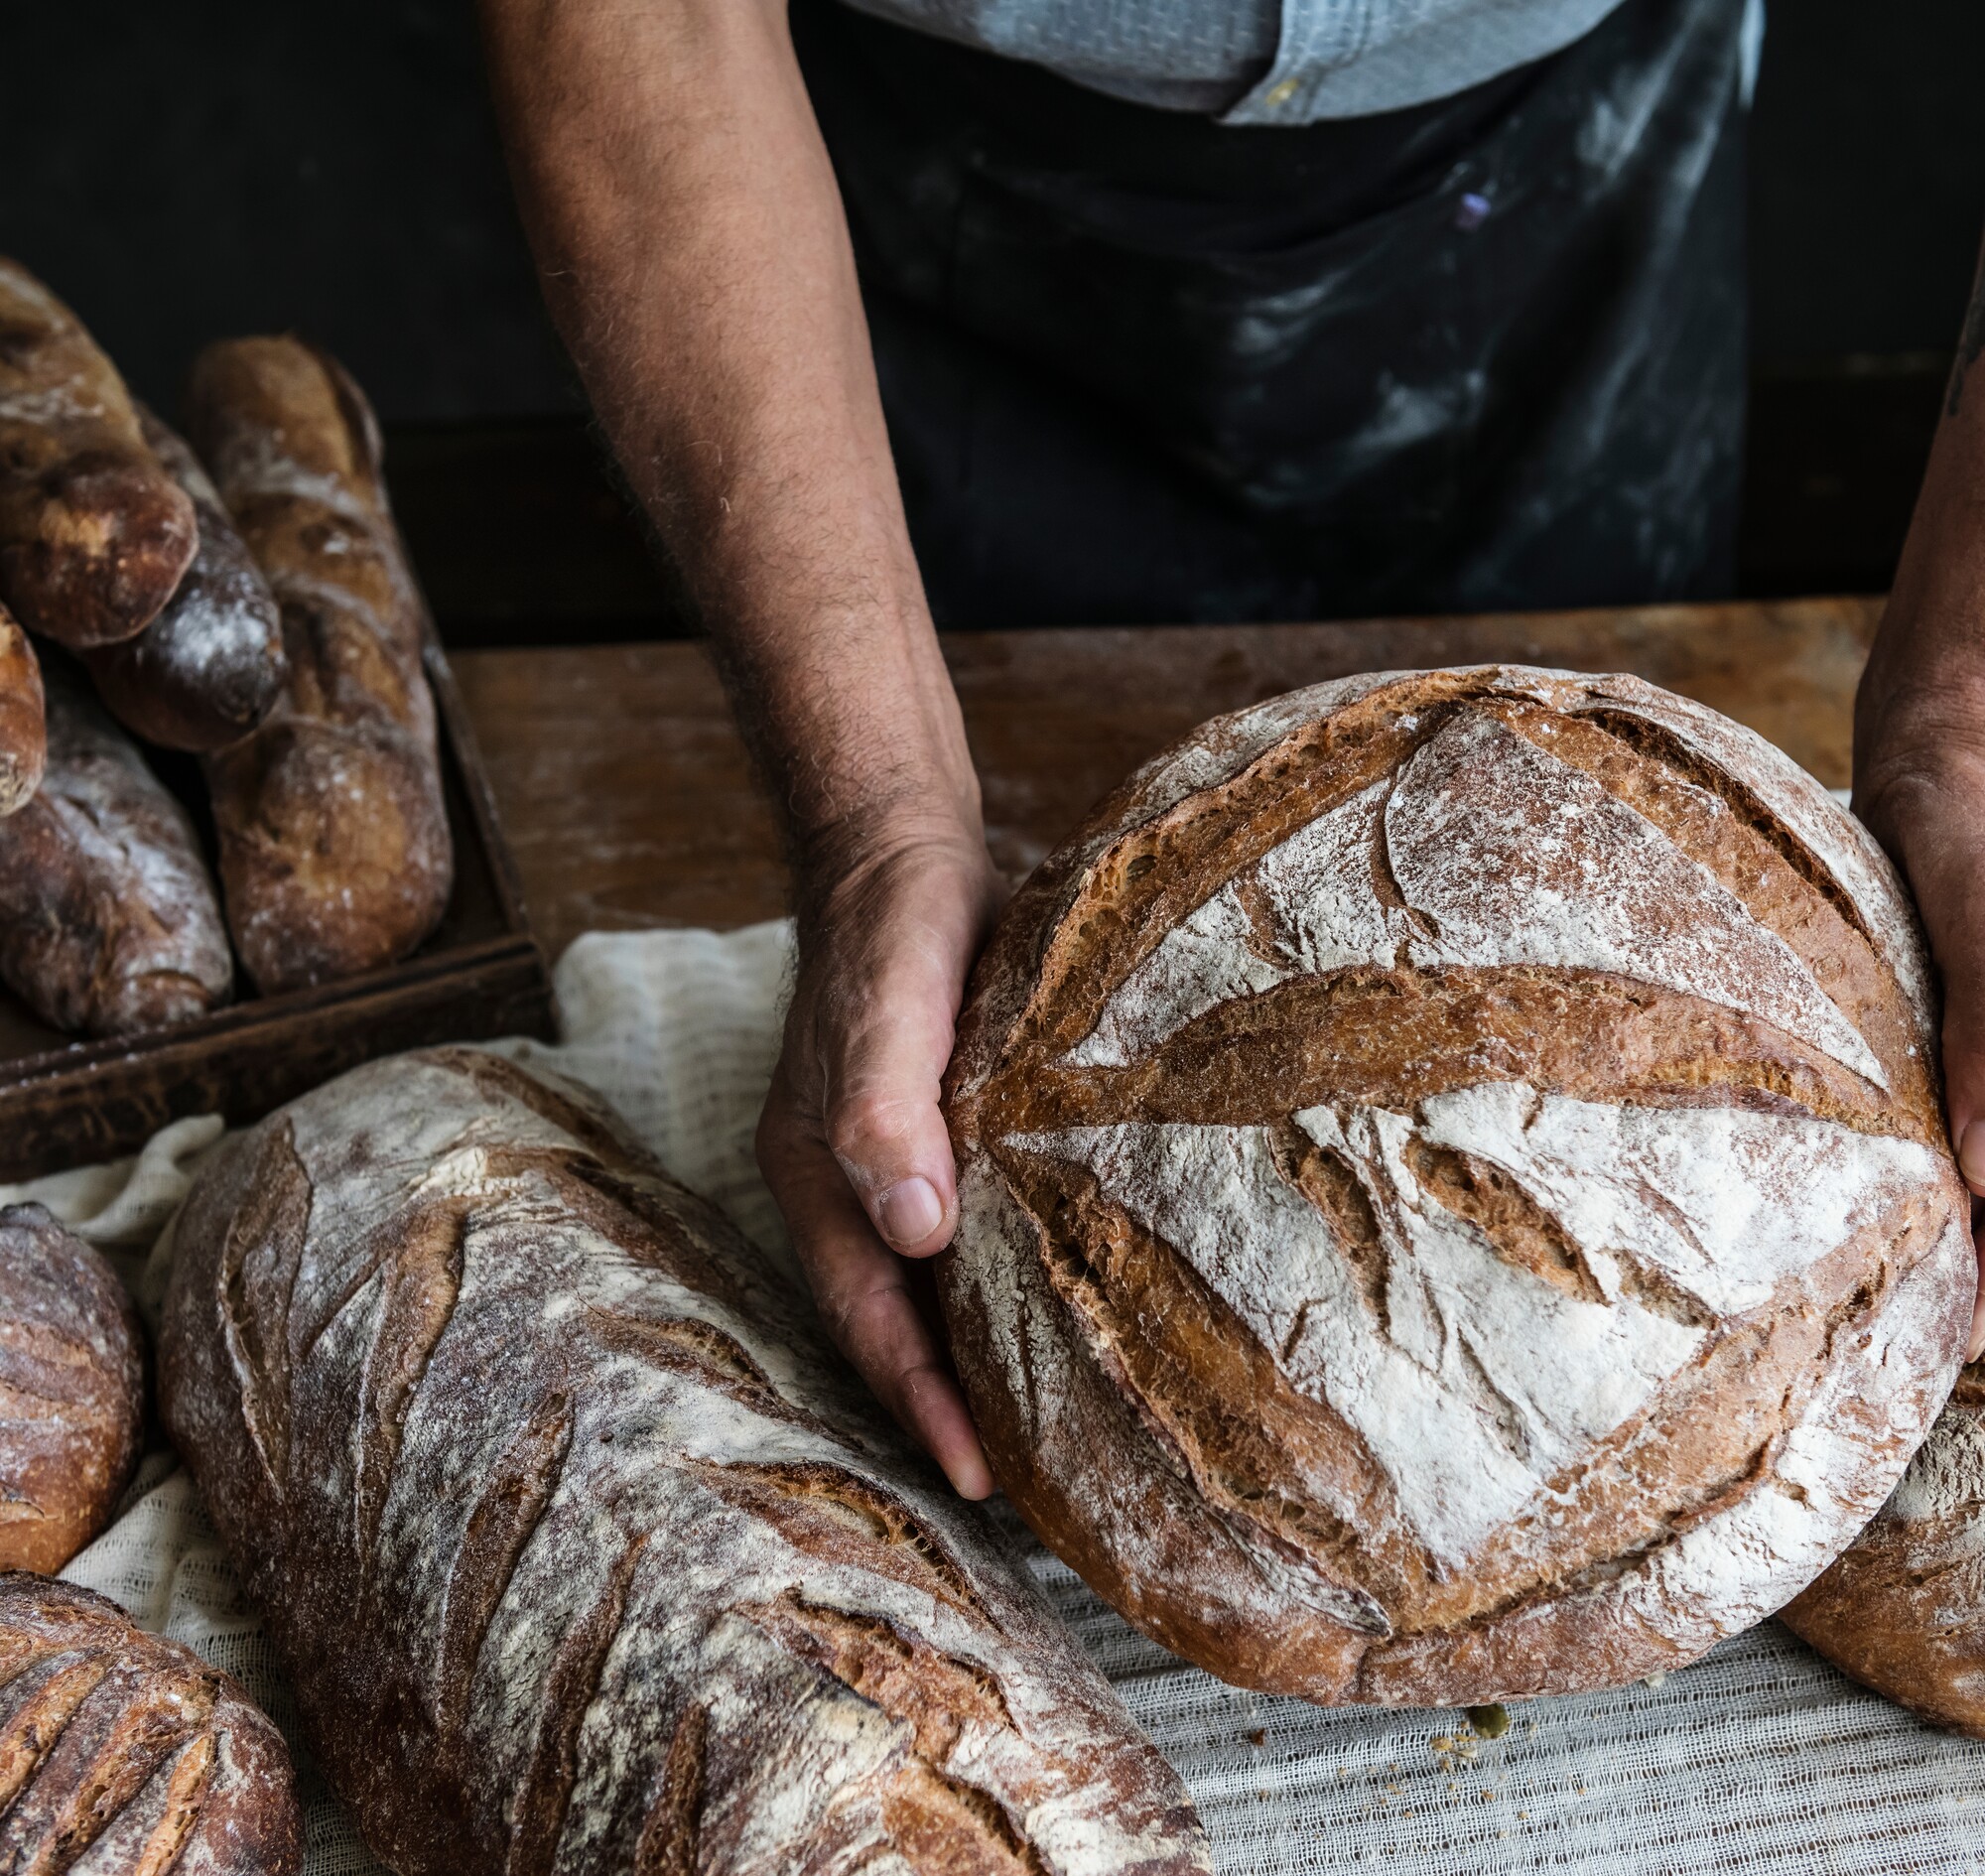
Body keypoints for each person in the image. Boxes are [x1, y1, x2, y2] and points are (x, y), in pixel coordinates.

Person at [477, 0, 1985, 1498]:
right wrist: (876, 816)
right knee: (988, 1047)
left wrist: (1964, 714)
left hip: (1572, 160)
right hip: (871, 220)